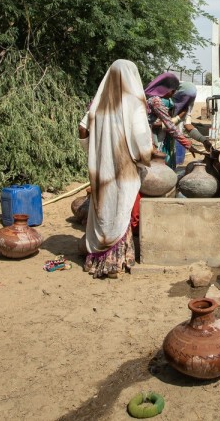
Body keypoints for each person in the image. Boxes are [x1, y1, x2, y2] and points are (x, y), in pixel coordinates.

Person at [77, 60, 153, 279]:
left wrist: (92, 151)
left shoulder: (99, 103)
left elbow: (83, 128)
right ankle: (116, 262)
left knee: (103, 210)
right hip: (124, 168)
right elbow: (141, 138)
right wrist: (147, 155)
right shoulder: (134, 102)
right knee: (121, 209)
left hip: (101, 168)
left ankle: (98, 260)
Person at [144, 72, 195, 169]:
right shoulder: (156, 101)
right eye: (172, 91)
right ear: (165, 89)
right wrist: (187, 144)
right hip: (149, 136)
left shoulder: (147, 96)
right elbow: (170, 125)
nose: (173, 94)